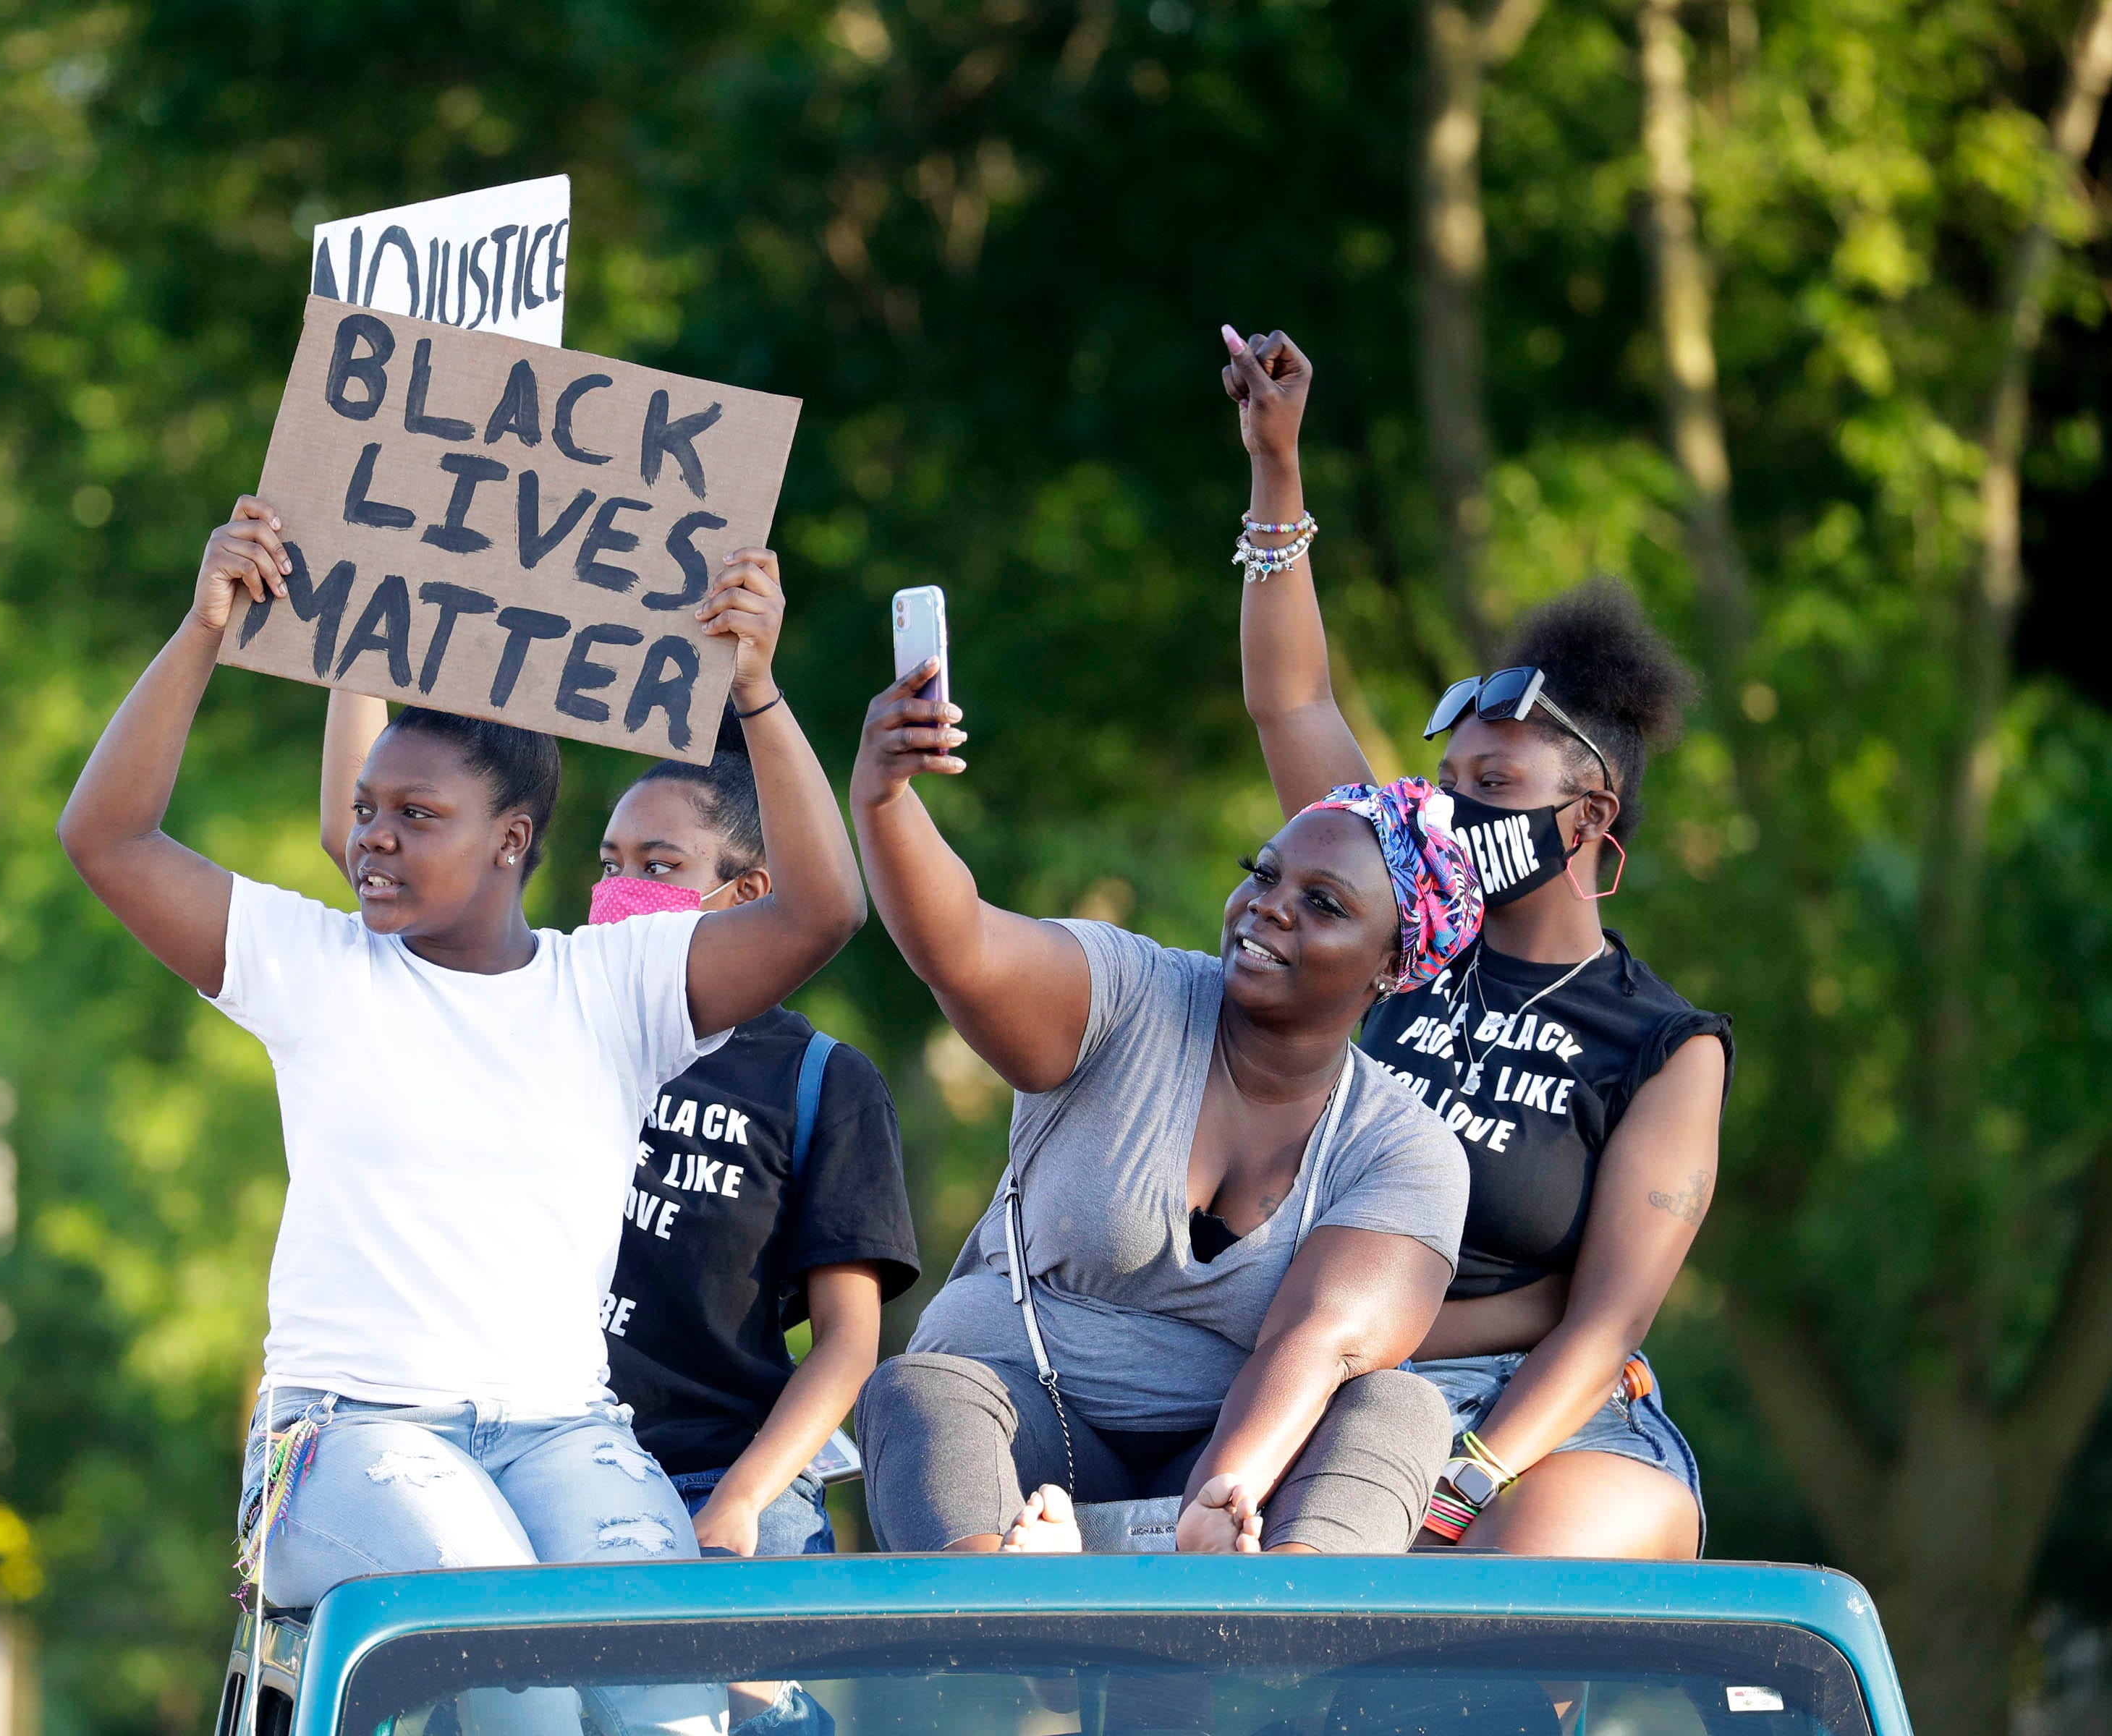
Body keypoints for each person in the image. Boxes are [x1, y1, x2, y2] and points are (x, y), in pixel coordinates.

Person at [57, 498, 865, 1653]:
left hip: (565, 1436)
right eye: (367, 811)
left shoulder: (615, 985)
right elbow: (109, 839)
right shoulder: (316, 965)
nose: (373, 837)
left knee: (669, 1697)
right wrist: (202, 632)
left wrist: (756, 689)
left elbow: (823, 910)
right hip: (348, 1438)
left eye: (416, 815)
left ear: (513, 839)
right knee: (505, 1659)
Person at [1222, 326, 1731, 1558]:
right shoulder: (1392, 922)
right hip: (1325, 1399)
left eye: (1494, 781)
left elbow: (1602, 1322)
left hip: (1538, 1428)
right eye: (1446, 778)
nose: (1451, 809)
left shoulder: (1661, 1045)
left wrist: (1469, 1480)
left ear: (1588, 815)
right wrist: (1275, 471)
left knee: (1503, 1612)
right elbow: (1294, 701)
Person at [849, 655, 1483, 1554]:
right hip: (1027, 1428)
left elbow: (1321, 1340)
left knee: (1401, 1407)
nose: (1268, 909)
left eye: (1323, 904)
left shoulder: (1403, 1149)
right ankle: (1010, 1608)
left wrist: (1222, 1499)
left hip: (1242, 1468)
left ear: (1393, 965)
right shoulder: (1129, 994)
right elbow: (963, 945)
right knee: (918, 1390)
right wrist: (884, 802)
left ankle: (1271, 1627)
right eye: (1262, 876)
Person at [315, 697, 923, 1561]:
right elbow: (374, 857)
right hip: (526, 1463)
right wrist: (356, 665)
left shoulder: (822, 1080)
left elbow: (848, 1341)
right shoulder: (558, 1004)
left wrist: (746, 1501)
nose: (620, 887)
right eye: (610, 862)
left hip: (728, 1473)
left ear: (748, 893)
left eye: (658, 864)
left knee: (750, 1697)